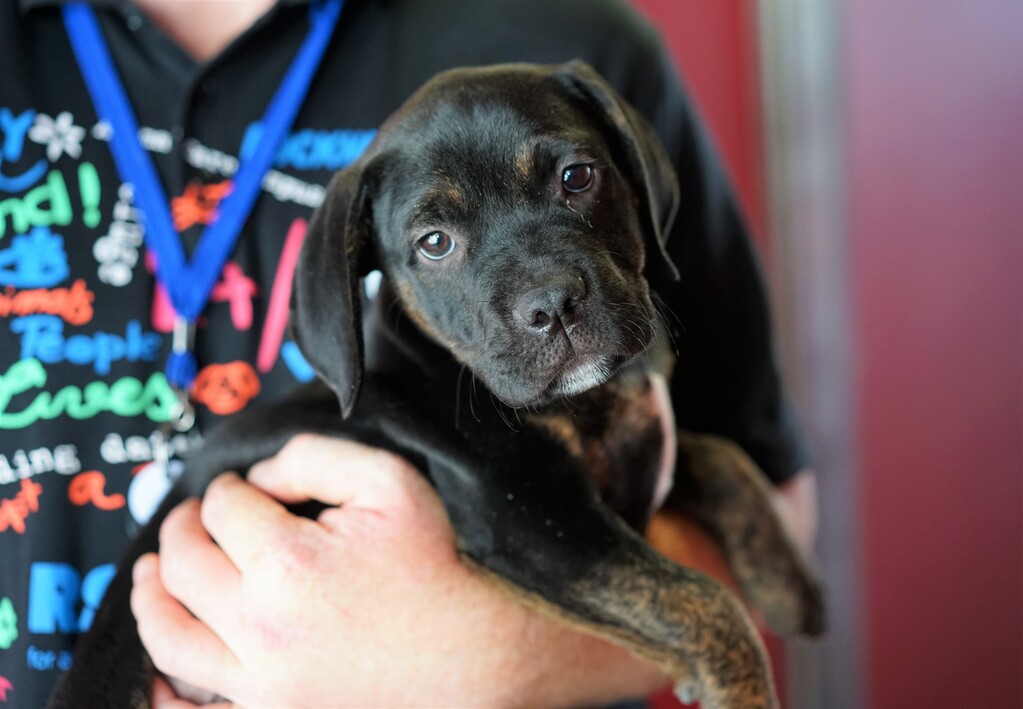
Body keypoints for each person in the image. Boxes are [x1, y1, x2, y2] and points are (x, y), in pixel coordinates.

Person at [0, 0, 816, 706]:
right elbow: (541, 530)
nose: (542, 292)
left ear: (633, 178)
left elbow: (784, 500)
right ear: (357, 284)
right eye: (435, 238)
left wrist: (474, 663)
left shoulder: (575, 36)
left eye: (572, 180)